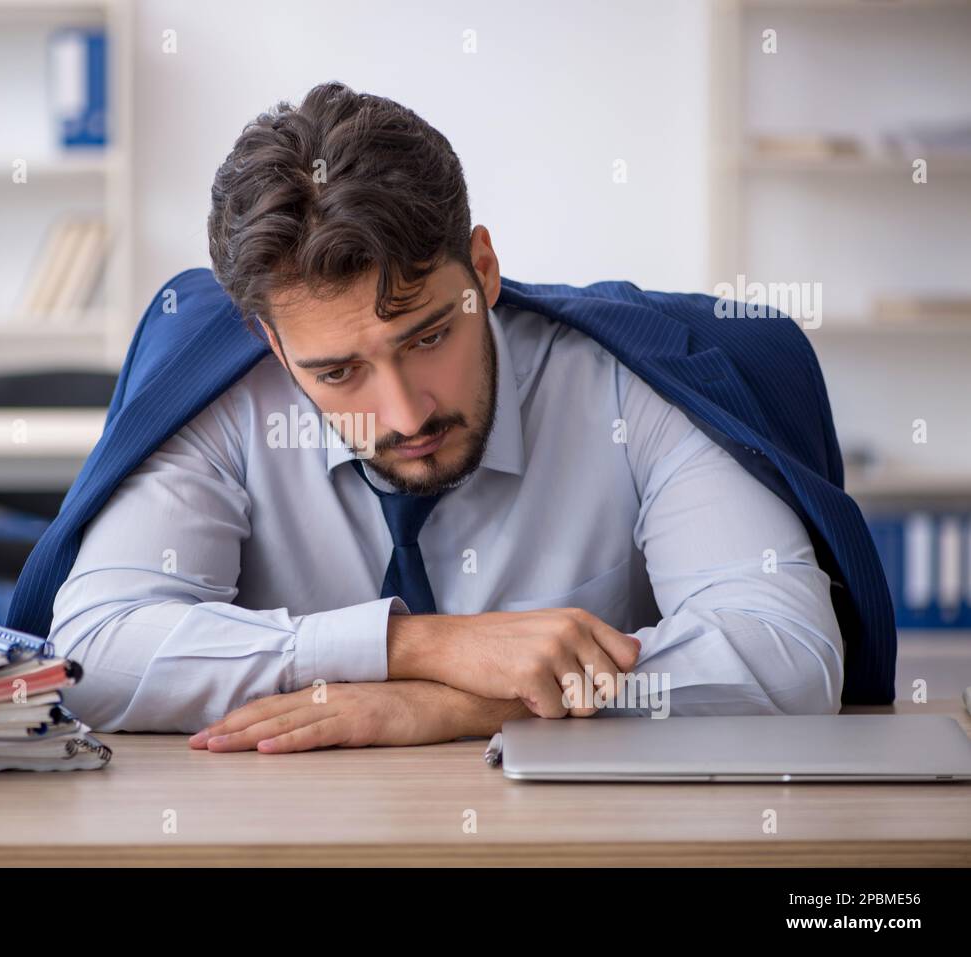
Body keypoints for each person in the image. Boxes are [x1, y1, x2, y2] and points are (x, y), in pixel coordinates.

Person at [48, 82, 844, 751]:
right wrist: (415, 647)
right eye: (336, 371)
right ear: (271, 344)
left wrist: (452, 705)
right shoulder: (222, 402)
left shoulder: (627, 386)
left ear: (485, 270)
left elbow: (792, 657)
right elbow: (90, 654)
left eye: (429, 335)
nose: (403, 412)